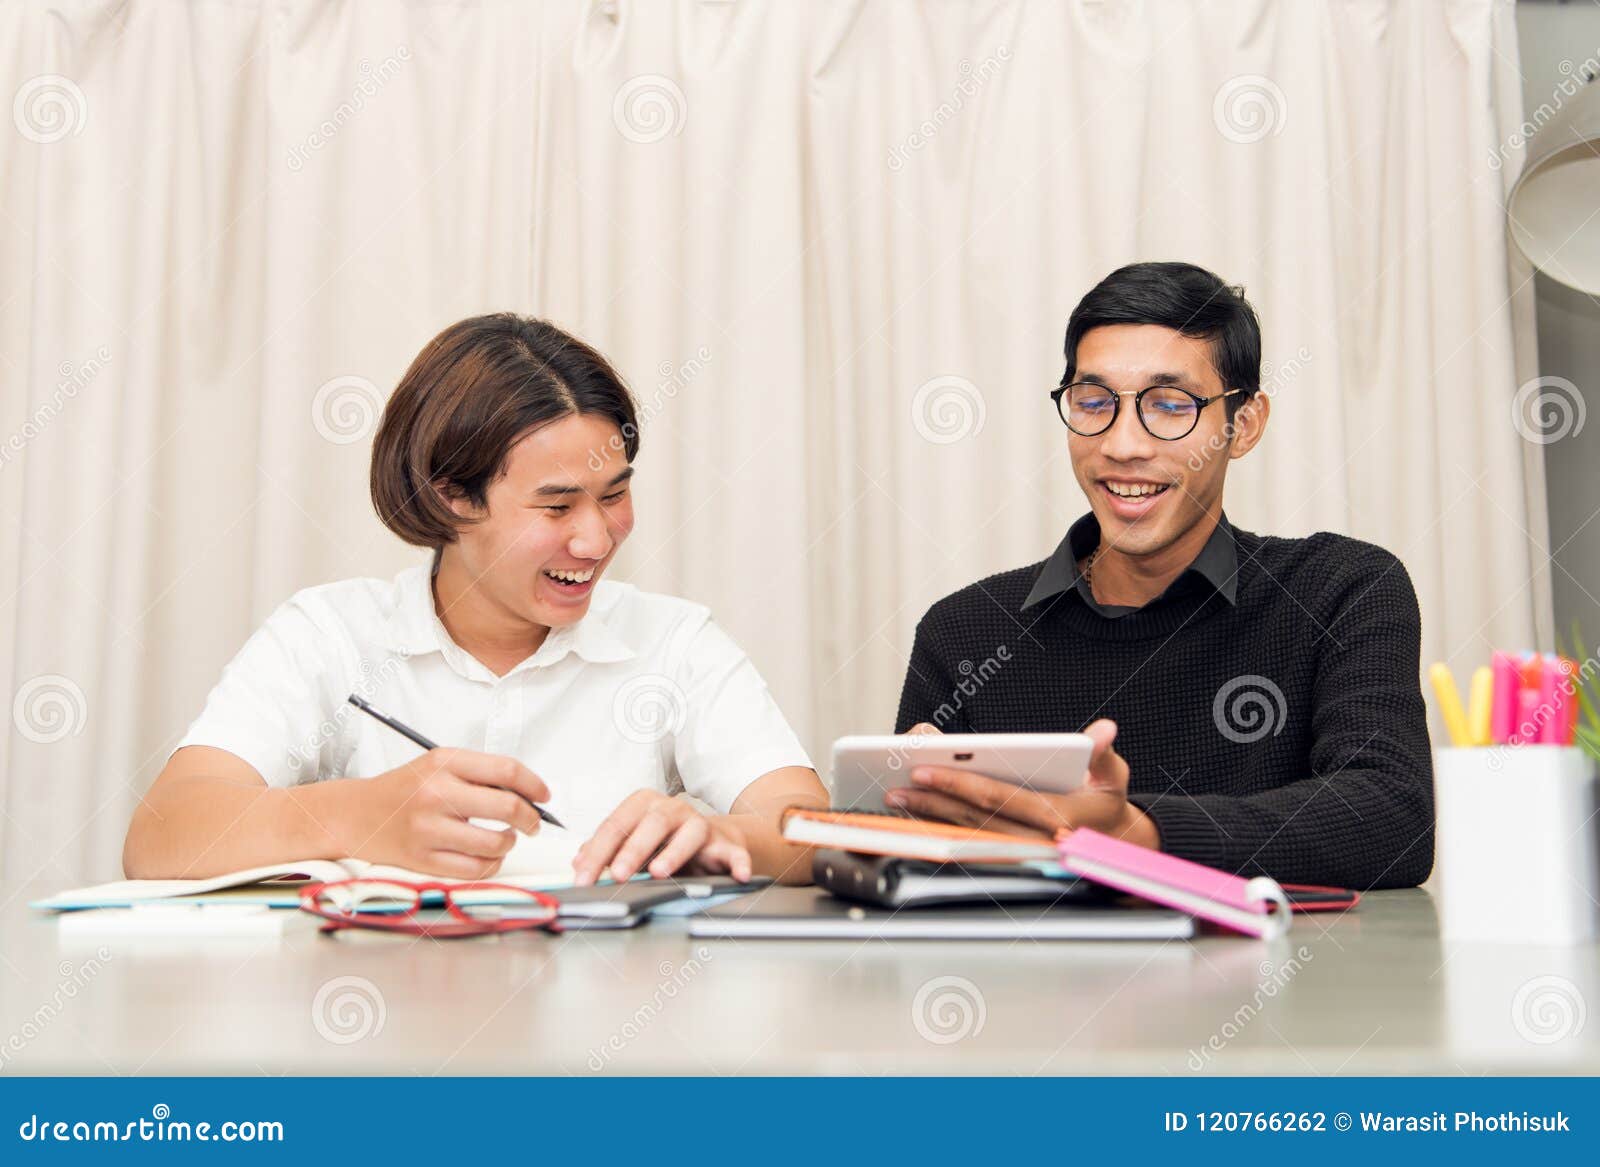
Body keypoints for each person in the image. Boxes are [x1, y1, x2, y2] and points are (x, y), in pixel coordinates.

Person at [124, 314, 827, 885]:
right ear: (452, 496)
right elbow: (160, 836)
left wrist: (727, 833)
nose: (594, 538)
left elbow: (814, 829)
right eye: (555, 507)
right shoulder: (329, 635)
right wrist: (356, 813)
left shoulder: (674, 642)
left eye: (614, 494)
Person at [891, 262, 1433, 890]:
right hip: (1031, 986)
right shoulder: (966, 631)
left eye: (1170, 406)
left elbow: (1392, 818)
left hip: (1275, 985)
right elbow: (908, 864)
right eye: (1093, 402)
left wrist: (1135, 836)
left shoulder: (1341, 590)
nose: (1122, 445)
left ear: (1245, 424)